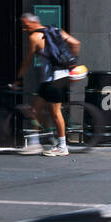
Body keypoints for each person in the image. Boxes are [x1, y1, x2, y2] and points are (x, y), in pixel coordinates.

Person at [15, 13, 83, 156]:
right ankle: (35, 143)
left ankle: (62, 147)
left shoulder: (34, 38)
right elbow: (75, 43)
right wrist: (72, 64)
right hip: (59, 77)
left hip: (53, 79)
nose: (24, 29)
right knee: (34, 109)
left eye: (25, 26)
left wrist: (19, 79)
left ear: (33, 23)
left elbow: (27, 61)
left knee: (55, 113)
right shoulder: (56, 30)